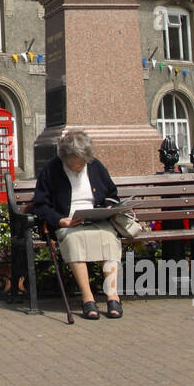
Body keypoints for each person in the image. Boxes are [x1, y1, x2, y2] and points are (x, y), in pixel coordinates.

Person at [32, 129, 124, 319]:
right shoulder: (51, 169)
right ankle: (87, 298)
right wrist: (59, 220)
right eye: (75, 165)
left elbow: (112, 195)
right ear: (64, 158)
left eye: (83, 164)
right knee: (75, 241)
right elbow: (40, 205)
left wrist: (107, 208)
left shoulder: (95, 166)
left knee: (109, 239)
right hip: (68, 222)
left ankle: (112, 296)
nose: (79, 168)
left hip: (96, 220)